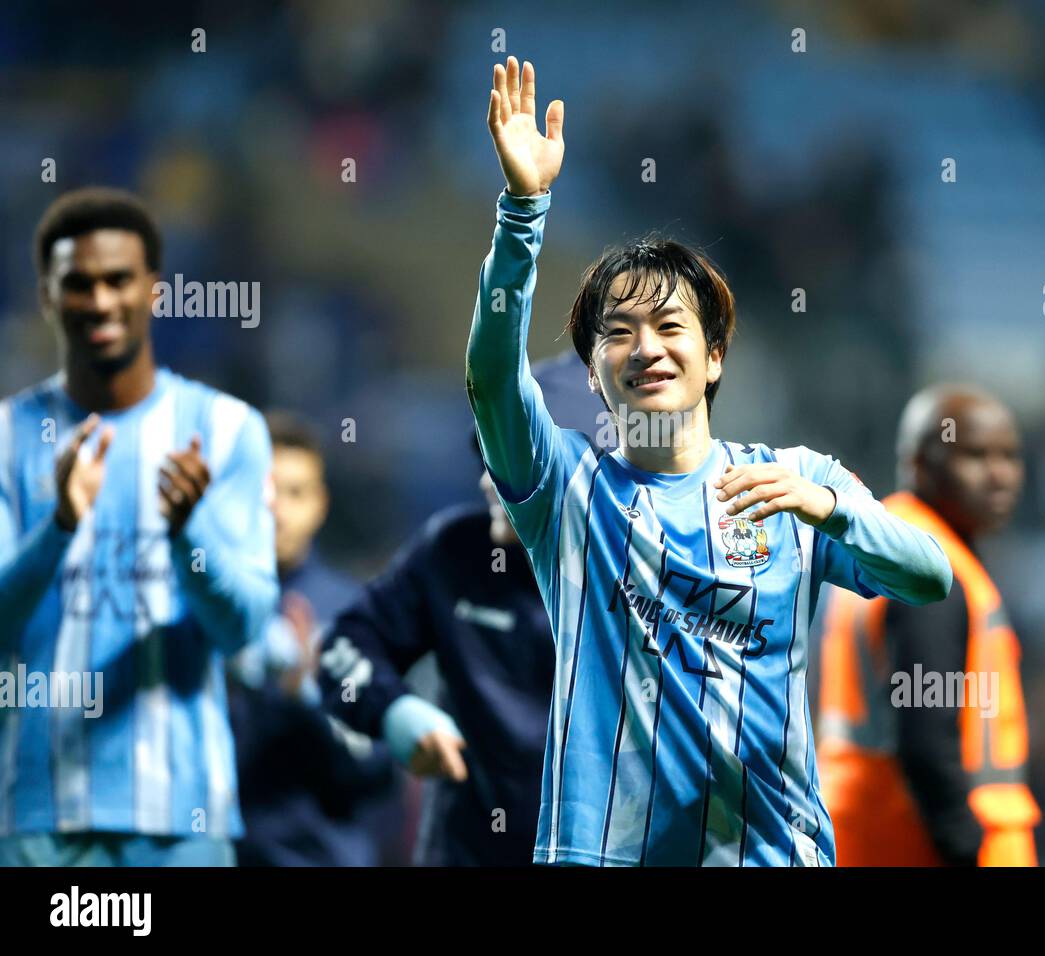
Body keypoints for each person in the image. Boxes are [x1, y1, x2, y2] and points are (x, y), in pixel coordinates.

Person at [466, 56, 952, 867]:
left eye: (670, 327)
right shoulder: (565, 490)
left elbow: (929, 575)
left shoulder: (793, 484)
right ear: (592, 373)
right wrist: (523, 212)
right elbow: (490, 376)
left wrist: (834, 510)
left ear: (716, 355)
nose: (645, 348)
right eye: (617, 332)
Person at [0, 187, 277, 866]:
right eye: (78, 284)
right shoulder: (8, 436)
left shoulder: (226, 430)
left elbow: (243, 626)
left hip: (182, 819)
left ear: (154, 290)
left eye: (118, 280)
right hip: (41, 814)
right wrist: (60, 524)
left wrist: (189, 534)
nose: (99, 302)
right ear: (46, 295)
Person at [320, 353, 605, 866]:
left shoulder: (642, 566)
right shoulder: (454, 552)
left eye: (513, 459)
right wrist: (393, 711)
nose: (484, 480)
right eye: (487, 453)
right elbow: (347, 645)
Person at [817, 384, 1040, 866]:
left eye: (1010, 456)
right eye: (976, 456)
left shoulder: (883, 546)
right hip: (923, 848)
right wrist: (965, 849)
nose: (1000, 475)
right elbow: (925, 744)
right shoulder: (926, 572)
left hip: (869, 839)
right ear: (918, 464)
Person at [227, 411, 402, 867]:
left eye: (295, 492)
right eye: (263, 490)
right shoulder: (206, 605)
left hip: (320, 856)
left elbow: (379, 772)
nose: (276, 508)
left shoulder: (354, 611)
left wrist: (308, 701)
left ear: (321, 503)